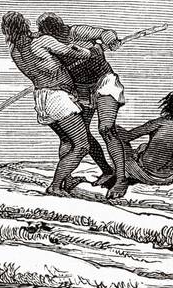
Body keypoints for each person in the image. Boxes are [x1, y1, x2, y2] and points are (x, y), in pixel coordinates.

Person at [1, 11, 99, 198]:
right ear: (25, 24)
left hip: (42, 98)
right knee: (82, 146)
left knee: (67, 140)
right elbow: (73, 53)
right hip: (58, 98)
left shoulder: (14, 50)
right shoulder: (42, 42)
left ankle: (67, 179)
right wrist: (94, 50)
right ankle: (55, 186)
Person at [37, 14, 128, 199]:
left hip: (103, 81)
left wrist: (111, 40)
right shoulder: (46, 44)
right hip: (80, 90)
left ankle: (121, 179)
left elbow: (104, 33)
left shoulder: (77, 31)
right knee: (75, 136)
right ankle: (90, 174)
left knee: (106, 129)